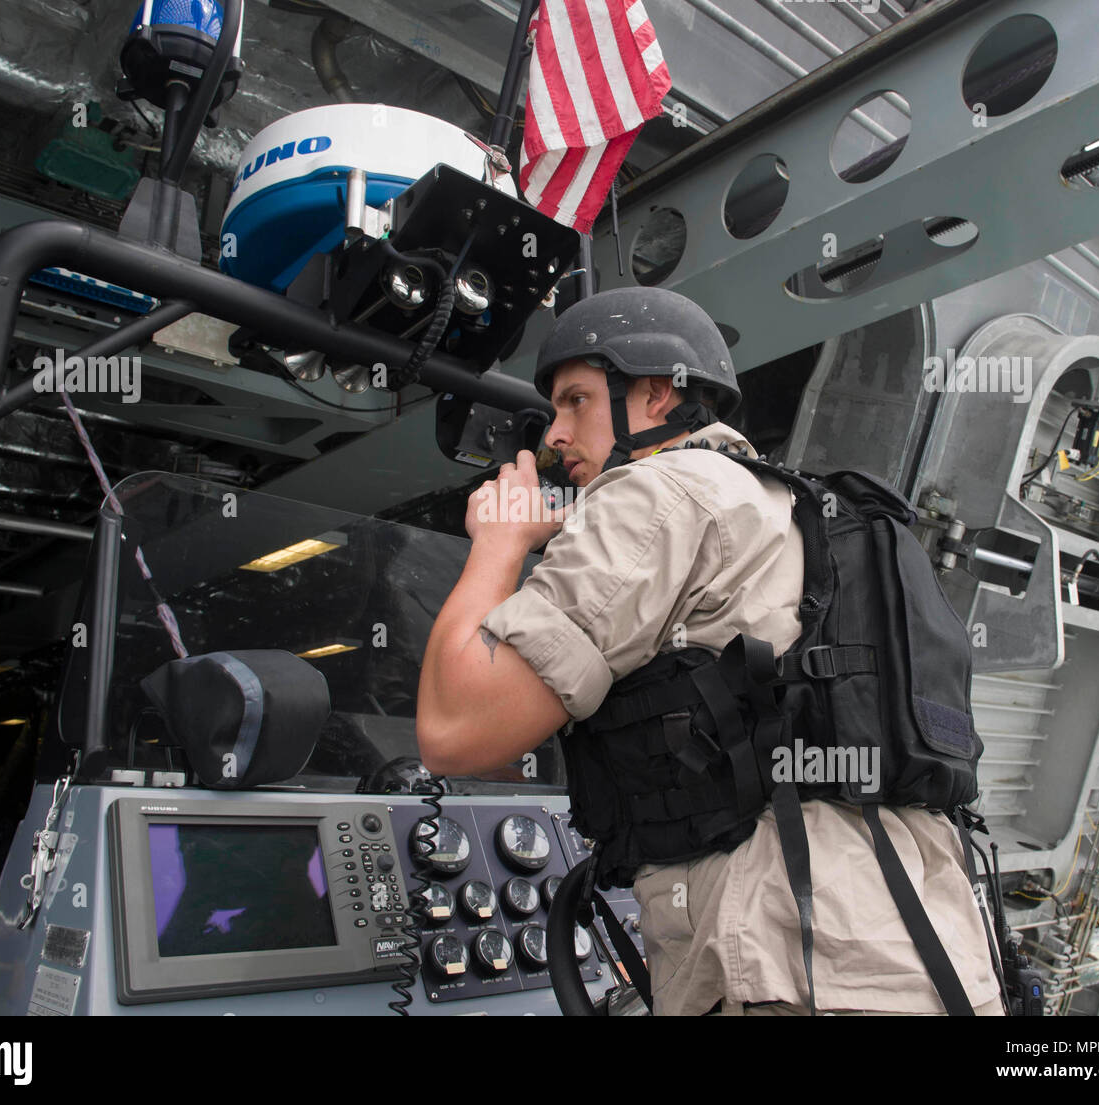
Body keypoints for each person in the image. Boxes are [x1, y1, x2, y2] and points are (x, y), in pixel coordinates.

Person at [417, 286, 1004, 1015]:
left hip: (789, 969)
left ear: (658, 394)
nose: (554, 437)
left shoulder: (659, 493)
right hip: (930, 966)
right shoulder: (788, 507)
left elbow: (456, 728)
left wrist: (499, 543)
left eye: (576, 401)